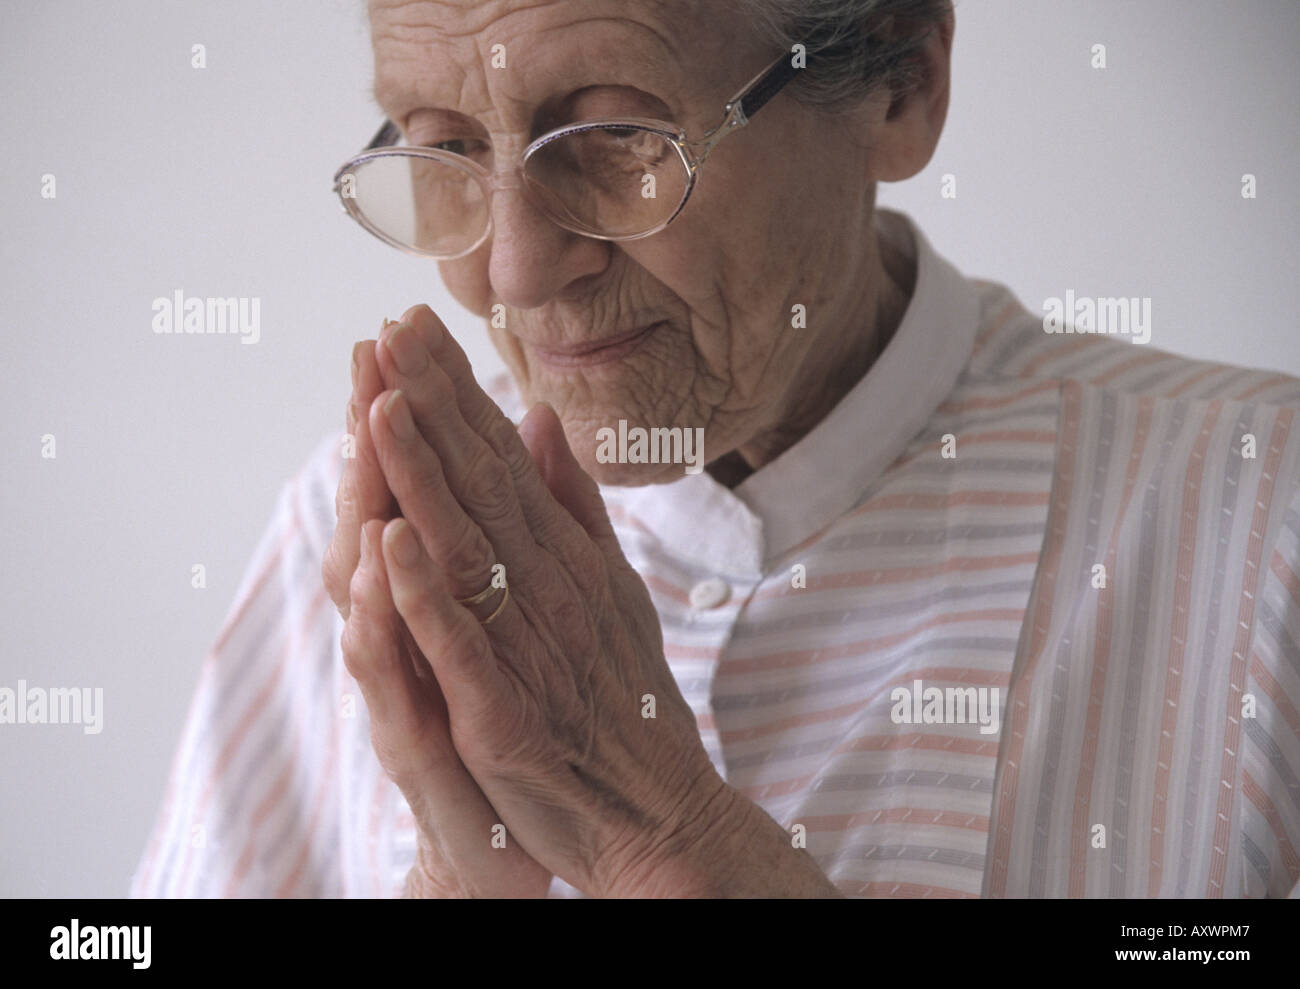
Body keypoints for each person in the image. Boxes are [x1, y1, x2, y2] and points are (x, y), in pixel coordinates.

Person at [131, 0, 1300, 898]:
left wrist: (659, 838)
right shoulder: (351, 544)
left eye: (615, 132)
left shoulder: (1262, 521)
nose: (514, 270)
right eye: (441, 148)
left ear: (902, 79)